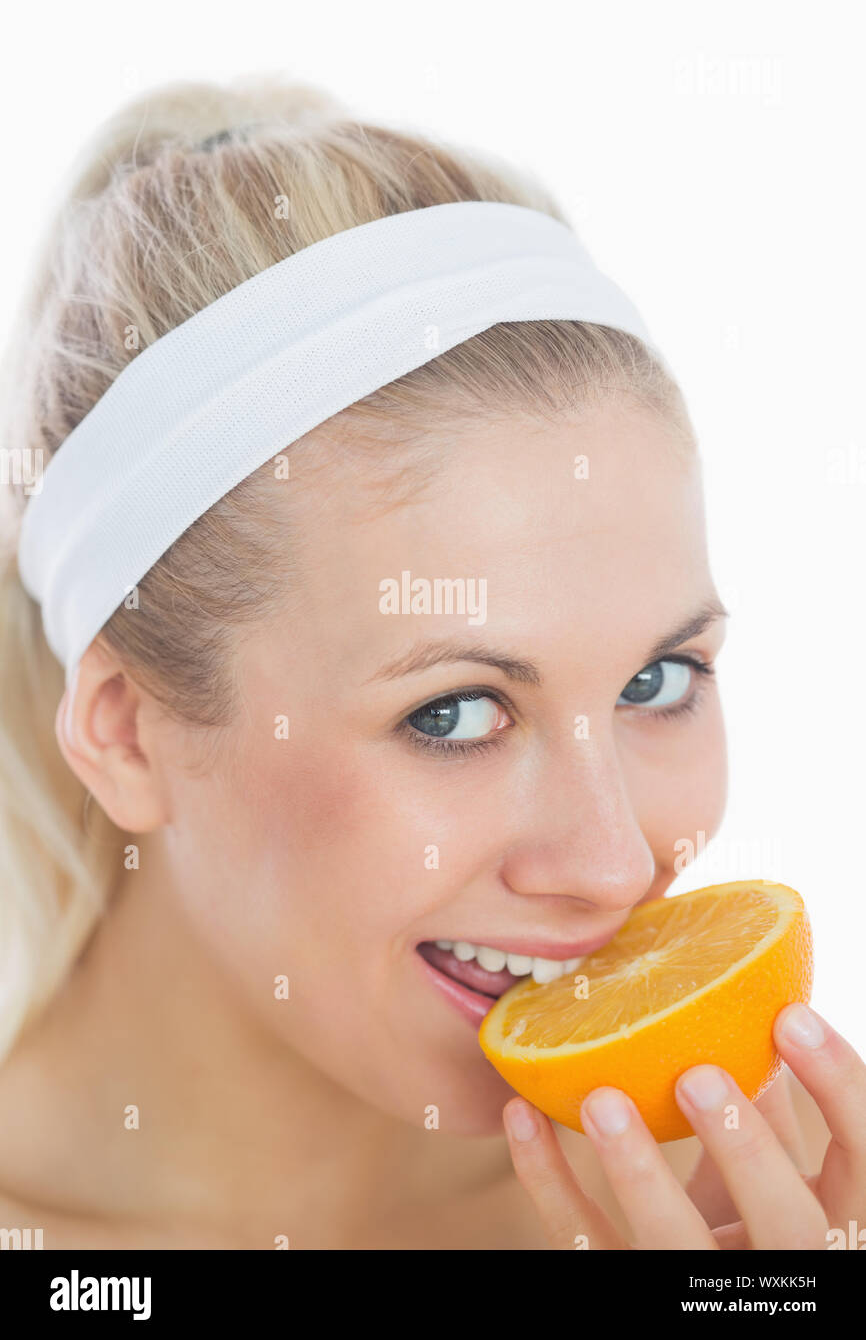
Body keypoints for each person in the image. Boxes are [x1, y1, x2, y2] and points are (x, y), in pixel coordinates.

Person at [0, 75, 857, 1250]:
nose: (613, 866)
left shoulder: (758, 1220)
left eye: (656, 682)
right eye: (455, 713)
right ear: (123, 727)